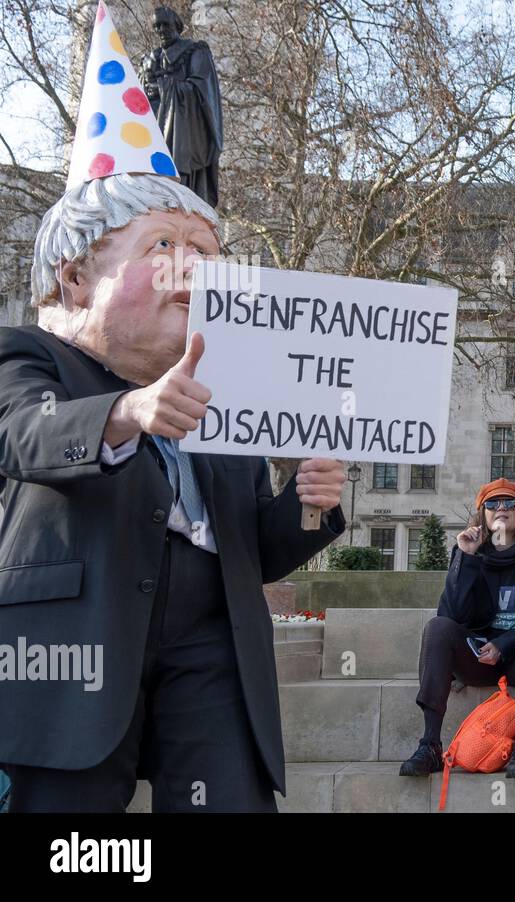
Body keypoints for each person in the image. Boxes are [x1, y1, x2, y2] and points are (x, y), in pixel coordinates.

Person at [0, 55, 346, 808]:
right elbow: (23, 434)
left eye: (205, 254)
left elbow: (255, 545)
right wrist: (127, 414)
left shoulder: (230, 389)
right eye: (164, 248)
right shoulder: (29, 357)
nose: (192, 271)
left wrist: (309, 505)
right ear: (73, 278)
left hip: (212, 649)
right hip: (71, 652)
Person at [399, 479, 515, 780]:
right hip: (477, 657)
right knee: (437, 627)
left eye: (510, 503)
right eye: (492, 504)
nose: (501, 509)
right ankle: (430, 744)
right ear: (482, 515)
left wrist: (504, 644)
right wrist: (465, 556)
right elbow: (451, 615)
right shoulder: (469, 552)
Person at [139, 5, 223, 206]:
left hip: (184, 135)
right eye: (156, 26)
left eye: (165, 25)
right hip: (153, 136)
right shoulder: (150, 58)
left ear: (177, 25)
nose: (161, 30)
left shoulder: (195, 51)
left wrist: (164, 88)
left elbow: (201, 89)